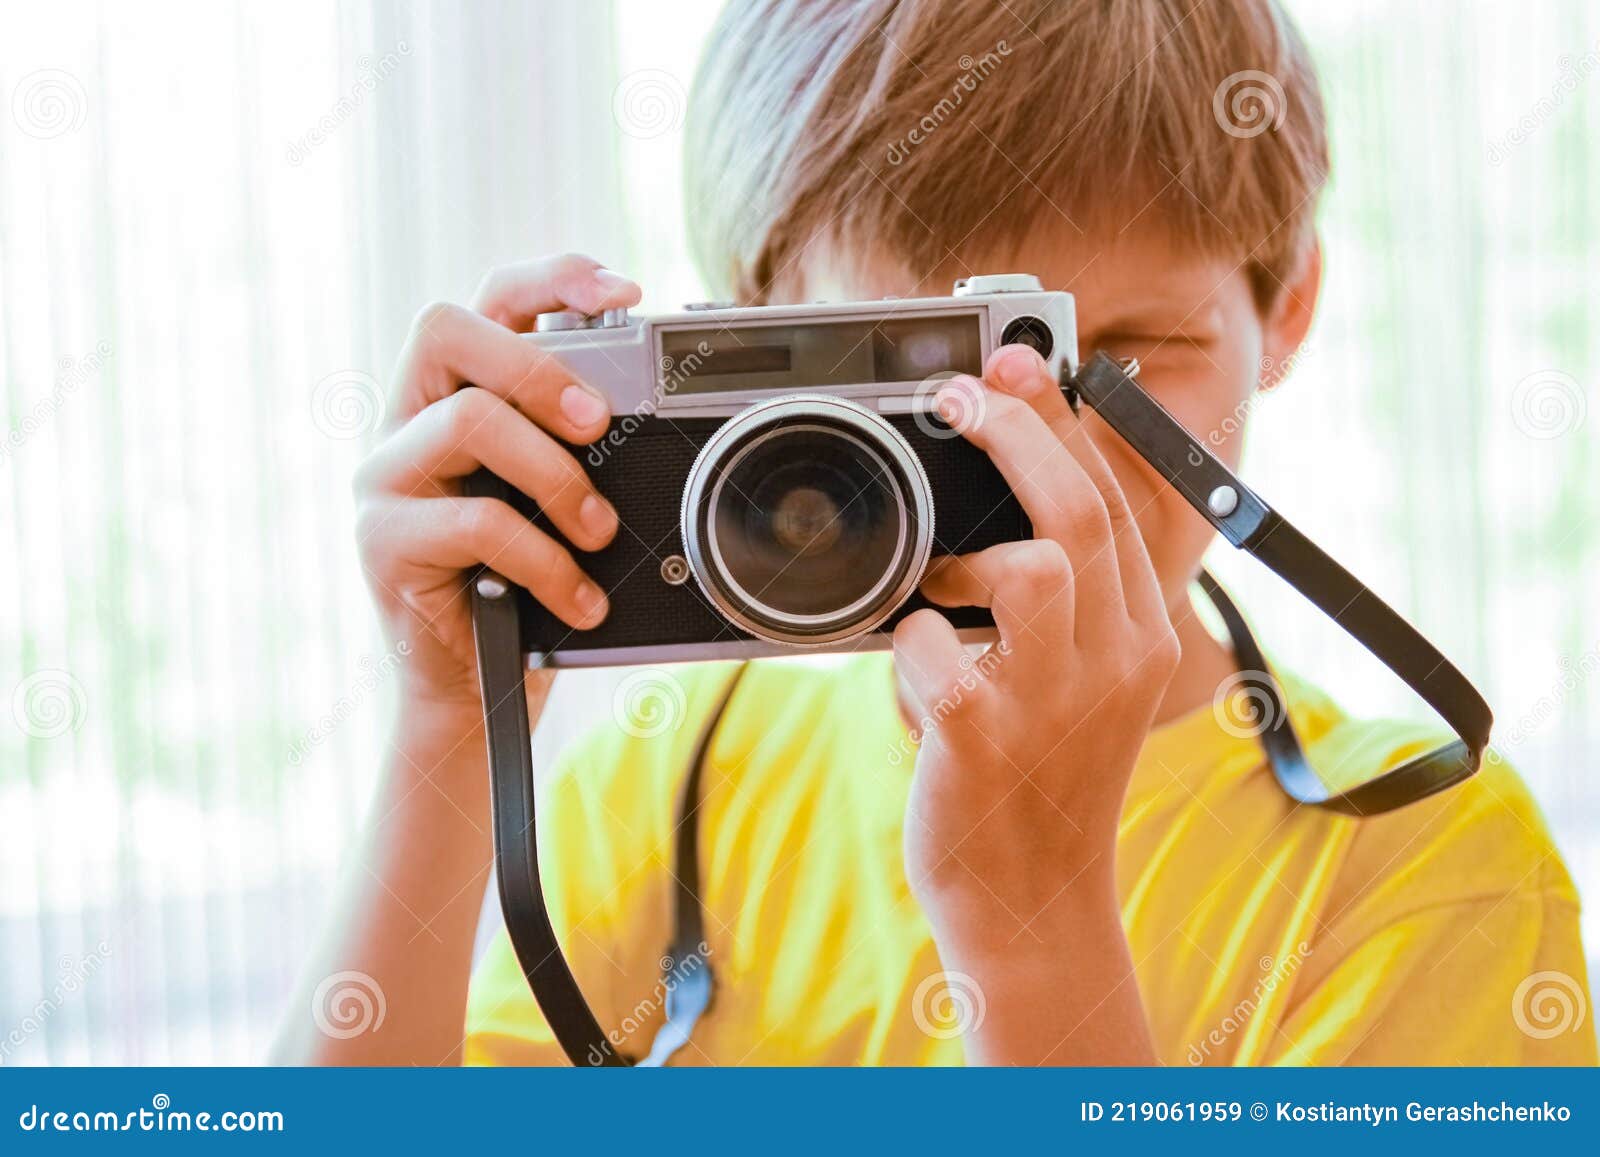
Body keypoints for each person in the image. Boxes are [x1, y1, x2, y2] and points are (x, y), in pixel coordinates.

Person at [275, 0, 1594, 1066]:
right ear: (749, 335)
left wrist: (1033, 922)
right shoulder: (676, 770)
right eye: (934, 384)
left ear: (1287, 305)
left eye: (1127, 363)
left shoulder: (1425, 865)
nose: (1046, 463)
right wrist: (447, 728)